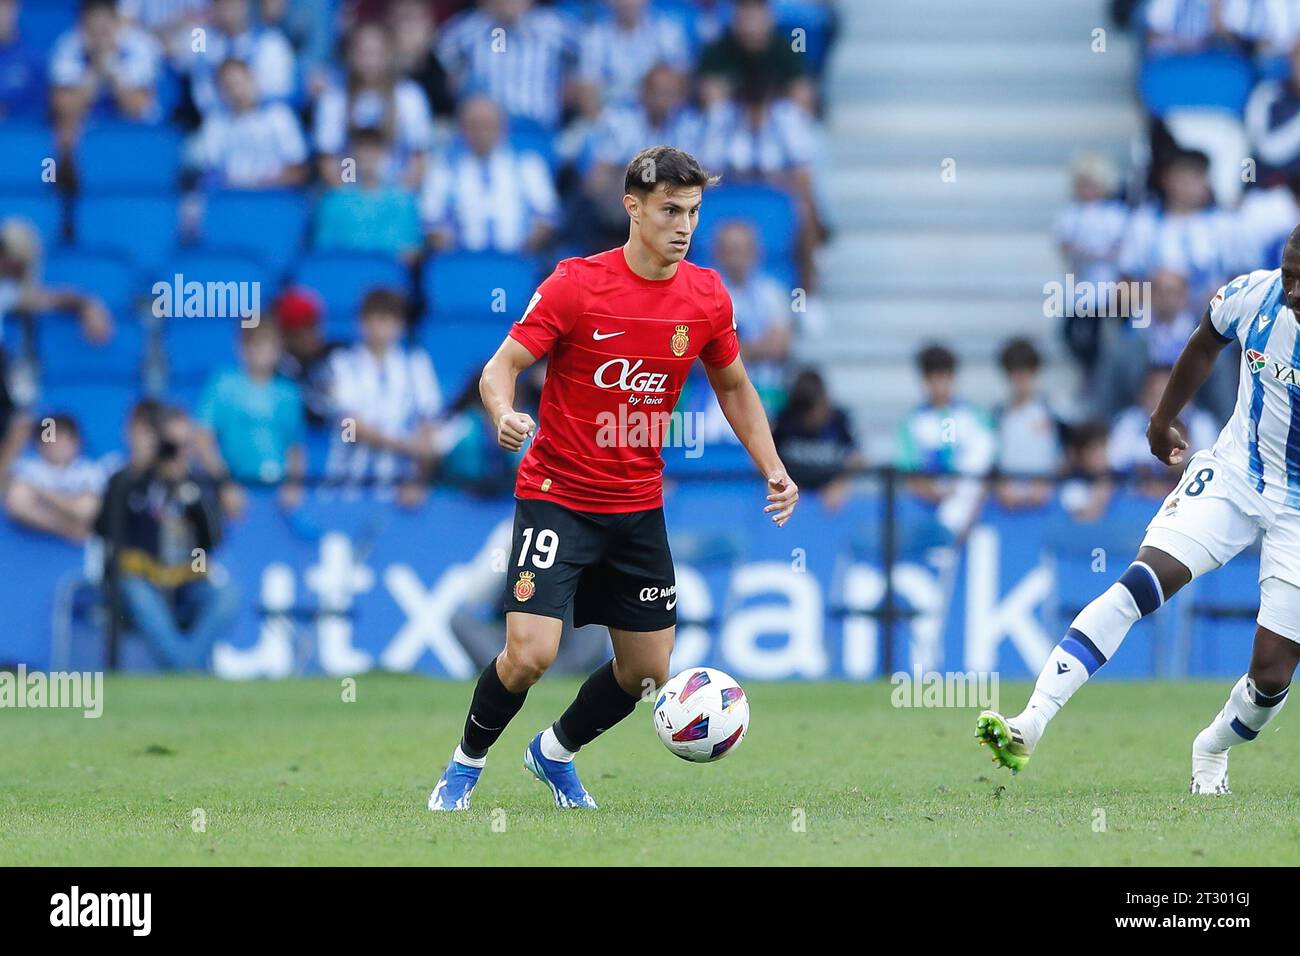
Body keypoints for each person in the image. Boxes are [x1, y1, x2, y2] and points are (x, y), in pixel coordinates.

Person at [428, 145, 799, 811]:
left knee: (647, 672)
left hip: (636, 506)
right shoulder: (575, 283)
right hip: (558, 498)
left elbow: (736, 389)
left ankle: (554, 752)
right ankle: (464, 766)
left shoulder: (708, 296)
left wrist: (773, 467)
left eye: (692, 212)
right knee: (529, 655)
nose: (683, 226)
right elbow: (499, 367)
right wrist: (504, 412)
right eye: (669, 210)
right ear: (633, 208)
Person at [978, 229, 1300, 796]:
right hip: (1233, 476)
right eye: (1288, 271)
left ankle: (1212, 745)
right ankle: (1030, 723)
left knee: (1272, 677)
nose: (1292, 287)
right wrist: (1162, 418)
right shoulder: (1256, 294)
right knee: (1140, 584)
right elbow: (1204, 342)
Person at [95, 402, 237, 671]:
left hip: (185, 582)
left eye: (184, 445)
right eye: (171, 445)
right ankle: (186, 666)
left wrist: (190, 492)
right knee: (137, 592)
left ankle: (183, 663)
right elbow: (103, 528)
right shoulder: (128, 479)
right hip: (138, 580)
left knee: (228, 595)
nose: (177, 453)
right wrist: (138, 473)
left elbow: (214, 539)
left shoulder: (195, 483)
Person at [324, 288, 441, 505]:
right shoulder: (341, 363)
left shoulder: (417, 364)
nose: (381, 327)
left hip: (400, 493)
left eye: (388, 319)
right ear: (361, 322)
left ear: (401, 325)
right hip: (348, 490)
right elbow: (350, 426)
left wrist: (418, 479)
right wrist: (406, 445)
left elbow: (429, 425)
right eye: (375, 318)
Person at [192, 320, 307, 511]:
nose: (265, 352)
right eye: (258, 345)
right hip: (236, 495)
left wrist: (293, 486)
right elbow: (202, 437)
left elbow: (294, 446)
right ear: (243, 348)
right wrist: (225, 483)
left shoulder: (289, 393)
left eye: (272, 345)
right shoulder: (223, 384)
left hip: (277, 498)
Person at [188, 57, 309, 189]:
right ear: (220, 91)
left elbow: (298, 170)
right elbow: (209, 171)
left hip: (274, 198)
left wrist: (257, 185)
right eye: (229, 86)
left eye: (240, 83)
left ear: (253, 80)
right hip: (230, 199)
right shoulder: (215, 123)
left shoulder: (280, 116)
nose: (236, 91)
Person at [4, 414, 106, 542]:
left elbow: (87, 509)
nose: (54, 444)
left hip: (72, 517)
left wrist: (41, 492)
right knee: (18, 494)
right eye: (49, 439)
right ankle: (69, 529)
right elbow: (15, 501)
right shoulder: (30, 466)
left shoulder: (88, 469)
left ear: (75, 442)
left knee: (87, 507)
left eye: (61, 438)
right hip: (62, 528)